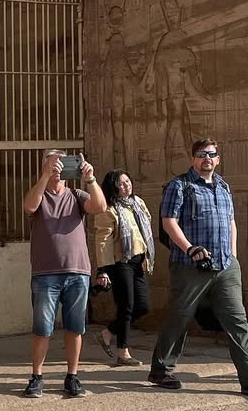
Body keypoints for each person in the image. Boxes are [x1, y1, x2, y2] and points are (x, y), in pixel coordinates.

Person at [149, 137, 248, 396]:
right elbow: (169, 222)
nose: (206, 158)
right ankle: (161, 369)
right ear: (192, 159)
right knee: (179, 318)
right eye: (201, 154)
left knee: (237, 321)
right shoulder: (179, 186)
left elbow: (231, 222)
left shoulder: (223, 186)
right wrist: (190, 248)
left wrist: (233, 256)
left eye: (211, 154)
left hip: (225, 266)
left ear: (218, 159)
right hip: (189, 266)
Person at [22, 151, 109, 398]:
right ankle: (36, 376)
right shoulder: (39, 194)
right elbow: (29, 206)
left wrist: (90, 179)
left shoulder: (76, 195)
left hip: (77, 272)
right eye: (53, 163)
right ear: (44, 166)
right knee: (42, 328)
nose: (59, 168)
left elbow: (100, 207)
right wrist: (45, 176)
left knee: (75, 327)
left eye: (63, 163)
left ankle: (72, 376)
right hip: (45, 273)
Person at [91, 170, 155, 365]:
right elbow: (103, 240)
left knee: (142, 306)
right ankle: (123, 353)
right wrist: (103, 269)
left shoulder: (138, 203)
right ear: (113, 188)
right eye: (121, 183)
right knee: (126, 307)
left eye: (128, 181)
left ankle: (108, 332)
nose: (126, 185)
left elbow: (146, 227)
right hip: (120, 263)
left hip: (138, 261)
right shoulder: (108, 209)